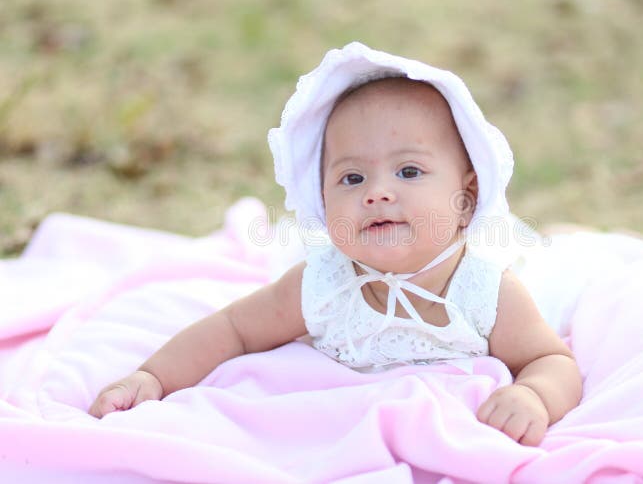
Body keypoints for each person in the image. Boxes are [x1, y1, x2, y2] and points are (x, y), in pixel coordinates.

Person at [89, 42, 583, 447]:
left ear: (466, 198)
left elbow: (551, 360)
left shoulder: (485, 290)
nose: (377, 192)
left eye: (408, 171)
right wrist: (152, 378)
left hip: (505, 263)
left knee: (544, 254)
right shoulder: (322, 283)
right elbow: (233, 330)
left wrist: (535, 397)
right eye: (351, 177)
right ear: (321, 203)